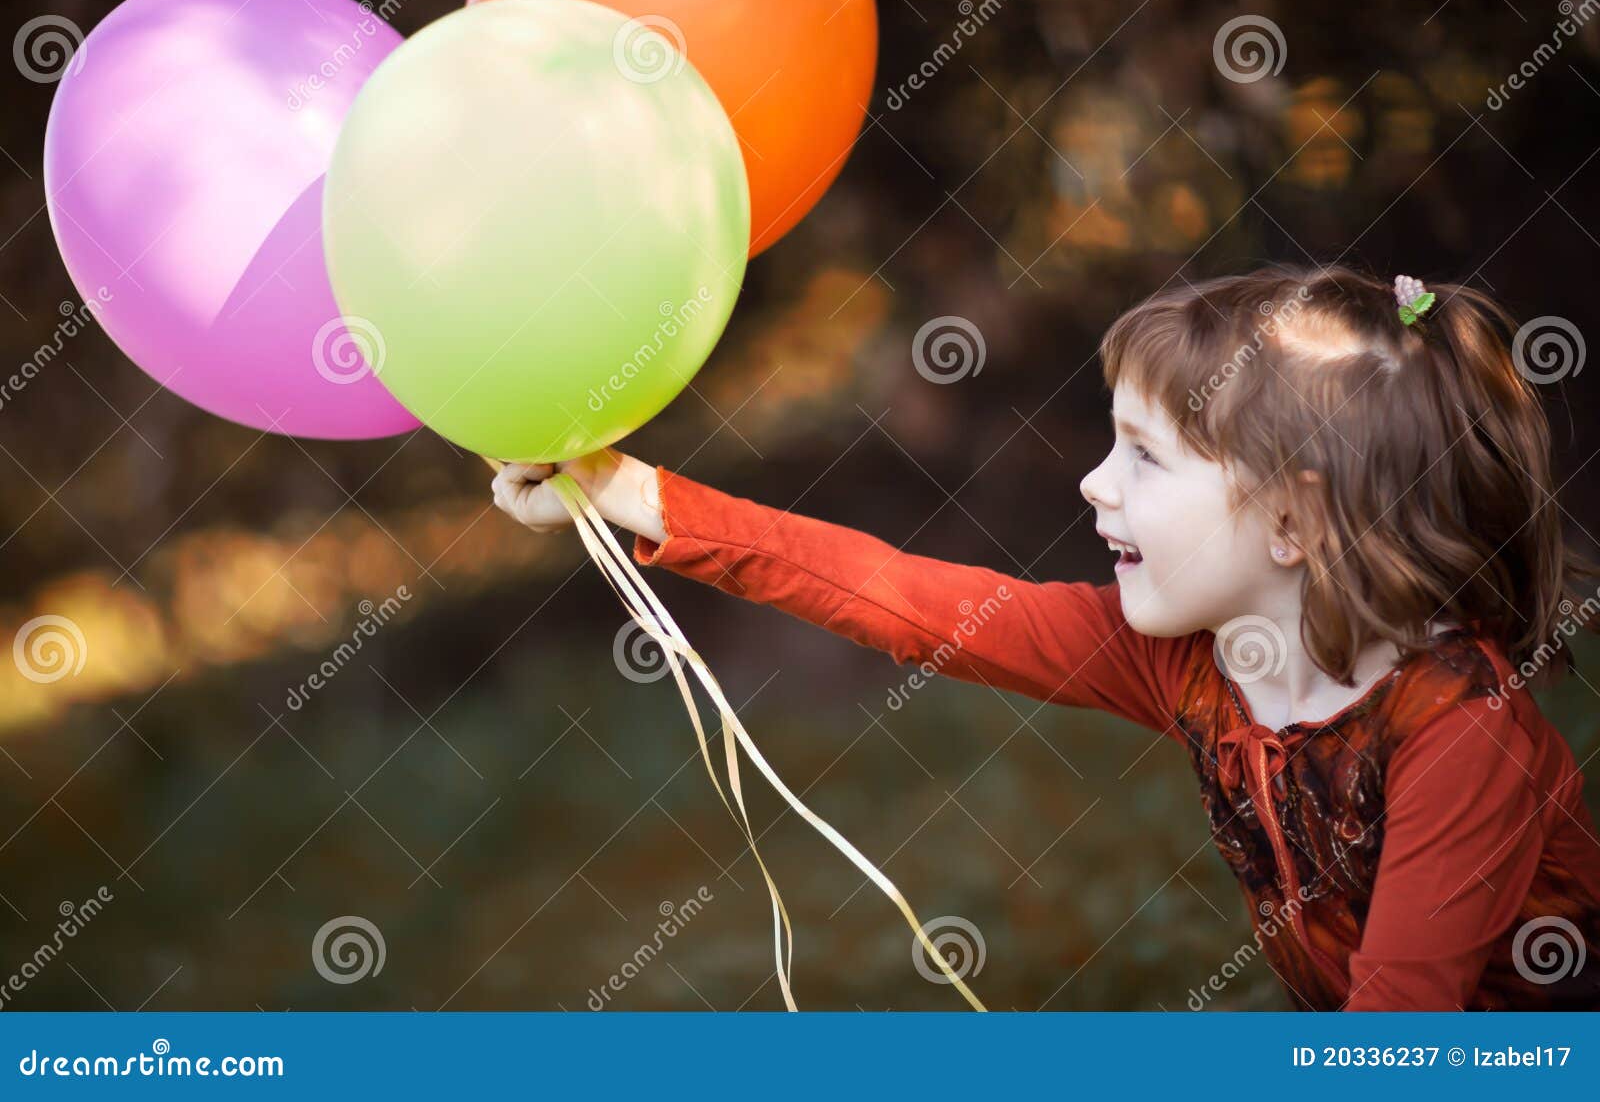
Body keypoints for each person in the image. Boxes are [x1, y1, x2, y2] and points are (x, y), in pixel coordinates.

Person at [491, 263, 1600, 1010]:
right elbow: (907, 599)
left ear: (1292, 519)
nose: (1092, 482)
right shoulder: (1186, 656)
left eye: (1144, 458)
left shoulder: (1462, 732)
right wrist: (637, 494)